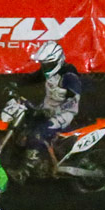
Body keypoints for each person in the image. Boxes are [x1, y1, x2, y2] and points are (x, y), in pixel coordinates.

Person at [18, 41, 83, 169]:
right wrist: (16, 84)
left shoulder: (69, 76)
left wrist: (55, 111)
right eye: (44, 65)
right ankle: (32, 154)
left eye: (48, 65)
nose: (45, 68)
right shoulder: (49, 71)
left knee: (40, 130)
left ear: (58, 61)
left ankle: (34, 162)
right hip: (46, 109)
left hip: (64, 113)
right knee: (26, 123)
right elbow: (32, 78)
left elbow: (73, 100)